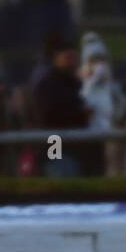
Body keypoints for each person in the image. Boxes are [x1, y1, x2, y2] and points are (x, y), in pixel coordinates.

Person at [30, 43, 87, 176]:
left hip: (74, 140)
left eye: (74, 57)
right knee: (57, 173)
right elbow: (45, 114)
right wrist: (79, 114)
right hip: (54, 138)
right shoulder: (48, 83)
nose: (72, 61)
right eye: (68, 57)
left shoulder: (75, 82)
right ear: (57, 58)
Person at [79, 34, 126, 175]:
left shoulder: (113, 88)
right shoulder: (82, 87)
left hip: (112, 140)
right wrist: (92, 81)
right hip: (90, 141)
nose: (99, 65)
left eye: (102, 60)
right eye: (94, 61)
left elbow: (122, 108)